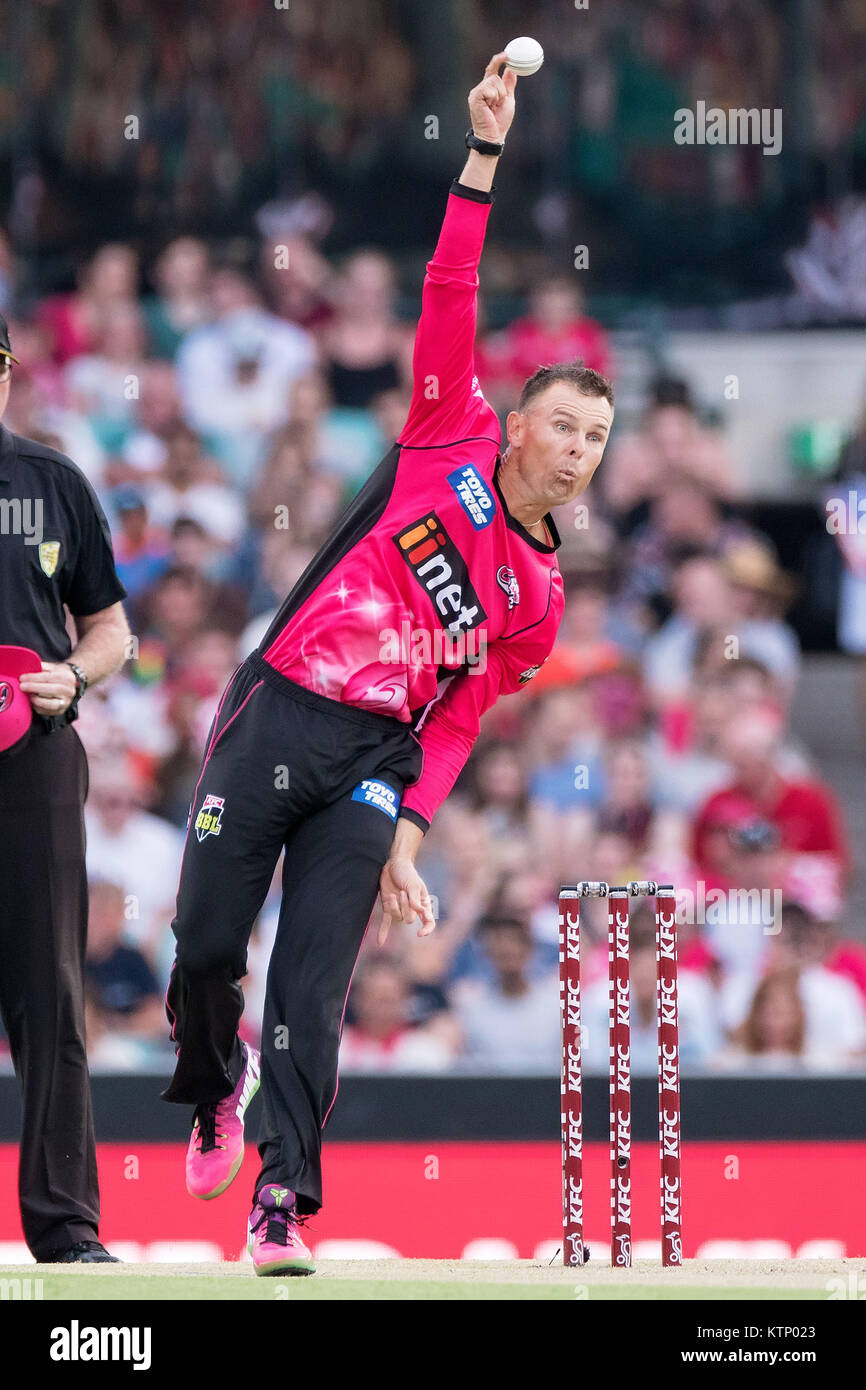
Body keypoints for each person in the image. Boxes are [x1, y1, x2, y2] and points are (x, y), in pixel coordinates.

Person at [160, 55, 614, 1278]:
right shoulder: (444, 428)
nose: (575, 451)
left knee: (314, 980)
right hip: (277, 712)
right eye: (562, 427)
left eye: (594, 439)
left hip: (373, 759)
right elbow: (449, 283)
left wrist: (410, 828)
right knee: (206, 947)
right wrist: (481, 155)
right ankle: (209, 1083)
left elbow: (460, 717)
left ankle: (281, 1205)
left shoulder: (537, 598)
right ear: (519, 425)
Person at [0, 312, 129, 1262]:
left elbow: (112, 631)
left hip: (33, 750)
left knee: (49, 987)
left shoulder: (52, 482)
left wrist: (75, 678)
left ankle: (66, 1231)